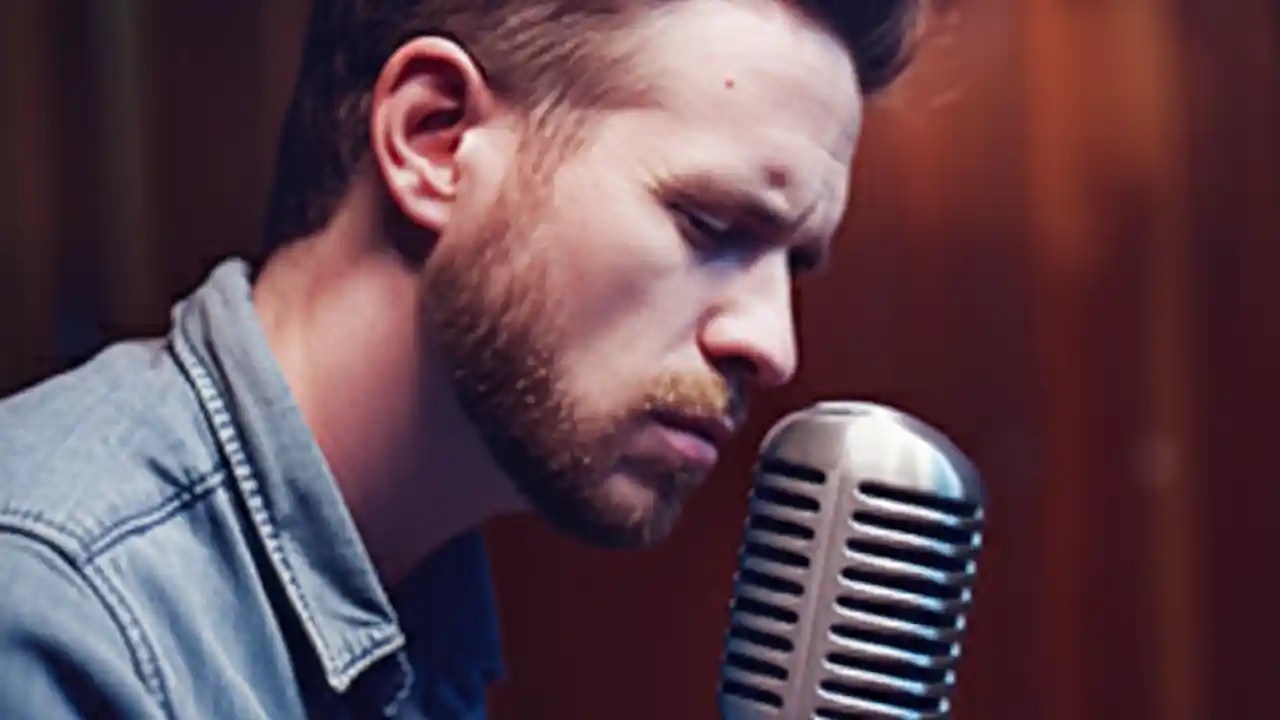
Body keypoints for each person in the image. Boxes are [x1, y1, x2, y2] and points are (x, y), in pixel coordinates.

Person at [0, 0, 924, 717]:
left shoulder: (420, 596)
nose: (772, 347)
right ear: (434, 138)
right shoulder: (56, 615)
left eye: (793, 263)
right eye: (712, 226)